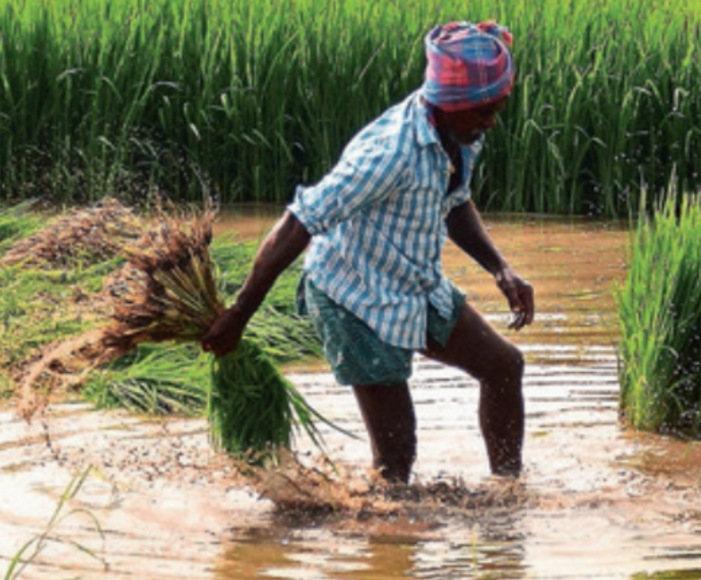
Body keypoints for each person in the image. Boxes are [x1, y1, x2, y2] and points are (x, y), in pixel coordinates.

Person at [201, 21, 535, 484]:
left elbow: (453, 200)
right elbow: (300, 219)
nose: (490, 122)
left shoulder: (461, 134)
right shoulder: (390, 153)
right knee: (397, 456)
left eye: (496, 108)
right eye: (483, 111)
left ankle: (507, 498)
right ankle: (381, 540)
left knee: (504, 367)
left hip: (412, 279)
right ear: (449, 102)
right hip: (354, 297)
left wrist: (501, 268)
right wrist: (239, 313)